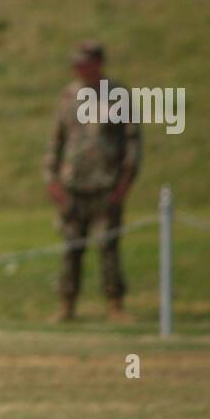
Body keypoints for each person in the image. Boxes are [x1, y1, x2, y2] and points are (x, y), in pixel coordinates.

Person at [43, 41, 141, 323]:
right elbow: (56, 140)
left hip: (107, 185)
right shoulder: (68, 96)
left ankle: (114, 305)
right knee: (71, 246)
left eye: (84, 63)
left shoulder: (117, 95)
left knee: (109, 246)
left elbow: (132, 142)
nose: (78, 68)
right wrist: (51, 179)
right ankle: (67, 304)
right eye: (75, 63)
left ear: (98, 63)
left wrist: (125, 182)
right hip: (73, 186)